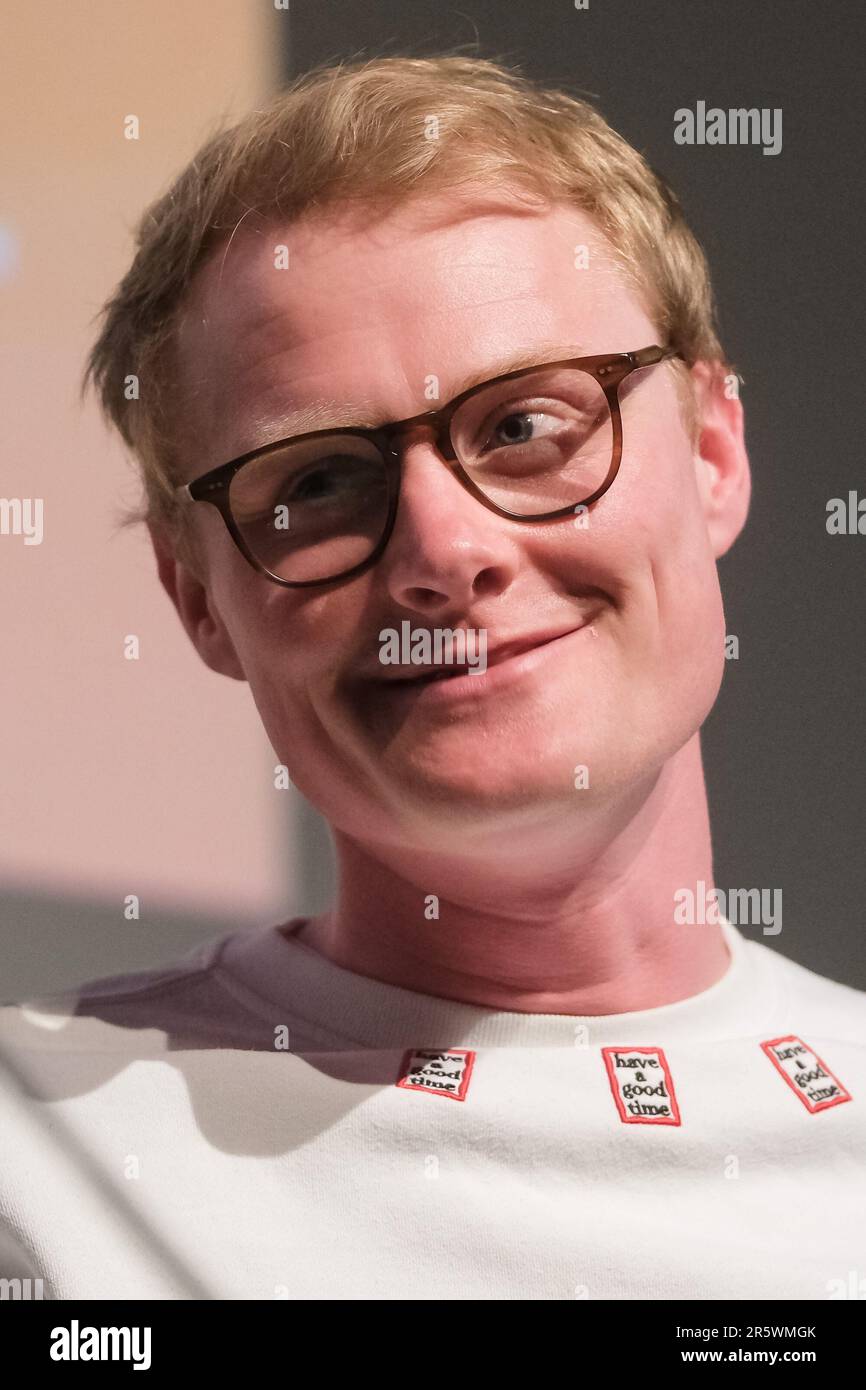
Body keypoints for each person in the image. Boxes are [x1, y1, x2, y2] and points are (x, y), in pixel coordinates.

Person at [1, 54, 863, 1302]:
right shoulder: (42, 1161)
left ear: (714, 452)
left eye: (523, 426)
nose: (445, 552)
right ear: (200, 604)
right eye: (315, 483)